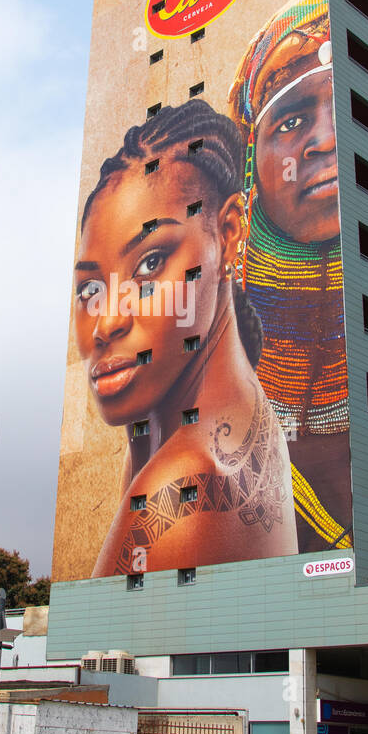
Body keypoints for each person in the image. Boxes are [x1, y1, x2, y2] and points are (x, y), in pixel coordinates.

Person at [74, 99, 298, 578]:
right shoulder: (258, 427)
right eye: (90, 288)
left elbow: (95, 649)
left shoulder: (175, 489)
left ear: (230, 233)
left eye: (150, 264)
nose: (106, 322)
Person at [228, 0, 352, 552]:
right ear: (252, 160)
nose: (325, 139)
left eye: (345, 105)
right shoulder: (208, 355)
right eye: (292, 121)